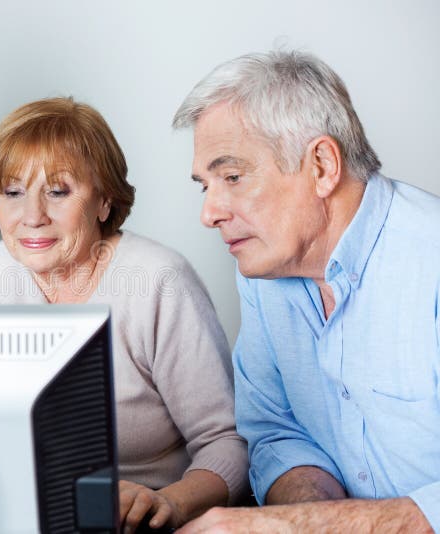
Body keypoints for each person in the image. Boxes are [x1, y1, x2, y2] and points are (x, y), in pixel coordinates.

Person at [0, 97, 248, 532]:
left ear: (104, 201)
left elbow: (227, 442)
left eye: (58, 191)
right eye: (12, 192)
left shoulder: (159, 280)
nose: (32, 216)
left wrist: (169, 504)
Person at [171, 50, 439, 533]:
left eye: (231, 177)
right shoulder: (264, 267)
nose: (209, 213)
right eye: (205, 185)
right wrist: (306, 513)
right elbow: (276, 431)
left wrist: (308, 525)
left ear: (321, 166)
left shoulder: (431, 260)